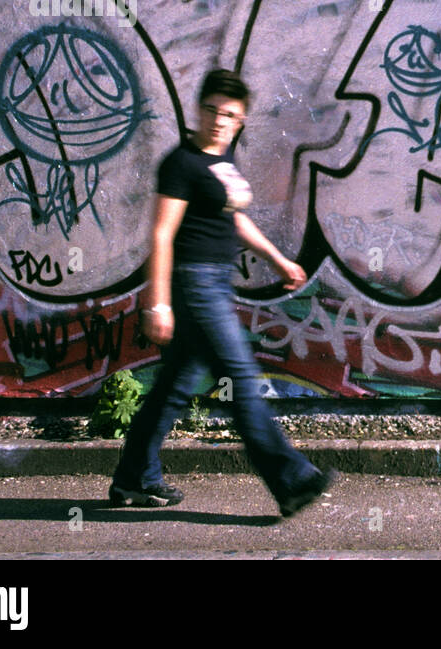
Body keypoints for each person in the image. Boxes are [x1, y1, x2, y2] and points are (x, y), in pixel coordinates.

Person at [109, 68, 336, 518]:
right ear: (198, 110)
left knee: (171, 389)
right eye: (211, 109)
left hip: (214, 282)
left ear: (240, 121)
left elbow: (232, 219)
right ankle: (292, 482)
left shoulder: (222, 159)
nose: (218, 119)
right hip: (194, 286)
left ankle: (134, 478)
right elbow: (161, 234)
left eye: (229, 114)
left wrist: (278, 259)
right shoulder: (182, 163)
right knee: (241, 381)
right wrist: (158, 302)